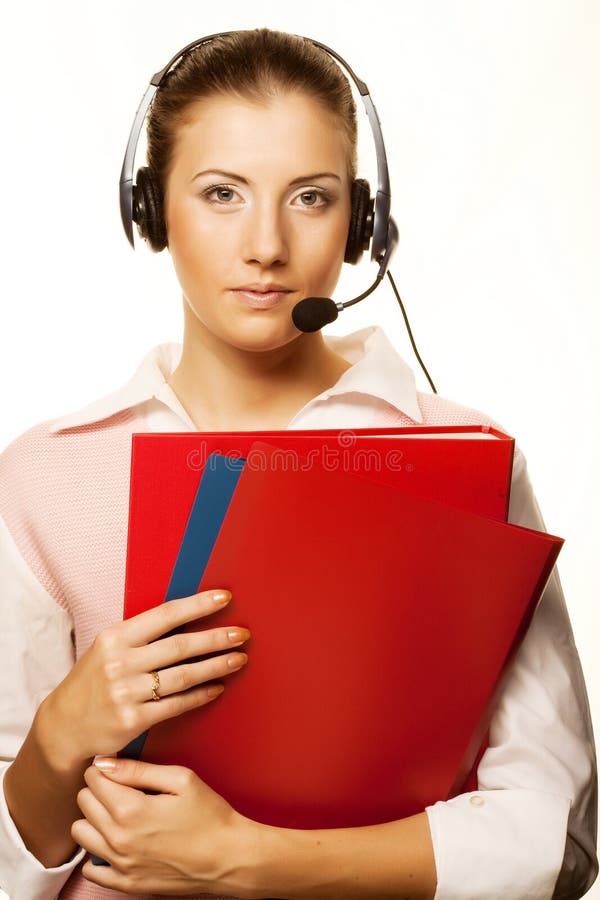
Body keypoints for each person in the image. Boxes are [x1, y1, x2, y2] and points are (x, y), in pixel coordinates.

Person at [0, 27, 597, 900]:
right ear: (151, 209)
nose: (267, 245)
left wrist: (245, 860)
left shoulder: (465, 460)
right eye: (221, 193)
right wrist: (58, 739)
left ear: (362, 223)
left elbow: (556, 832)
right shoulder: (48, 473)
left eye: (310, 198)